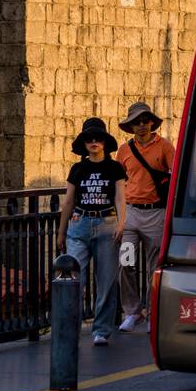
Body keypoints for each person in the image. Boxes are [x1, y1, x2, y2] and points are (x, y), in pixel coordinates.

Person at [57, 118, 127, 345]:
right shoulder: (77, 169)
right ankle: (70, 327)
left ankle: (101, 330)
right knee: (75, 278)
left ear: (105, 142)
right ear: (84, 144)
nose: (94, 142)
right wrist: (61, 231)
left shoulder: (115, 168)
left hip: (106, 223)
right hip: (79, 224)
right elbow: (68, 201)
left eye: (98, 138)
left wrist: (121, 223)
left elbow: (120, 197)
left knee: (106, 281)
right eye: (89, 139)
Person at [115, 101, 175, 333]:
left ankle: (152, 313)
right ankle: (132, 311)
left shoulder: (164, 147)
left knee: (154, 268)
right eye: (136, 122)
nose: (141, 125)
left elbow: (175, 175)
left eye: (145, 120)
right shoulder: (124, 150)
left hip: (155, 214)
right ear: (131, 126)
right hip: (131, 214)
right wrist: (118, 213)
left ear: (152, 122)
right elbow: (118, 183)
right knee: (126, 262)